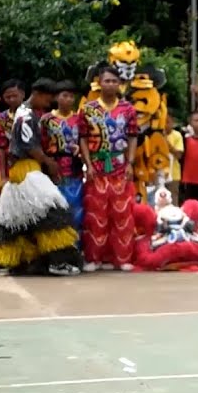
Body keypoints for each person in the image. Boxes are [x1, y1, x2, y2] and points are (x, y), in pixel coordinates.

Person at [0, 79, 81, 276]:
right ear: (37, 94)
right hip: (28, 170)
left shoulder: (23, 113)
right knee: (52, 214)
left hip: (19, 171)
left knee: (16, 220)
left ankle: (8, 263)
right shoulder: (27, 115)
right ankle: (57, 262)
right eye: (47, 100)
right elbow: (30, 146)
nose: (48, 104)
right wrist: (49, 162)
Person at [78, 66, 139, 272]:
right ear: (99, 83)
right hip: (96, 167)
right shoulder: (88, 109)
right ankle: (94, 258)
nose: (111, 84)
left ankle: (121, 258)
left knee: (122, 214)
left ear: (119, 84)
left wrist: (130, 163)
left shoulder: (128, 109)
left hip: (120, 166)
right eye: (107, 81)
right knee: (96, 214)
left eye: (114, 81)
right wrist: (87, 164)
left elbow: (133, 137)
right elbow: (83, 138)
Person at [41, 80, 85, 234]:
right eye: (65, 95)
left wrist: (80, 150)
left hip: (74, 168)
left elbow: (85, 141)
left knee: (76, 206)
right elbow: (42, 144)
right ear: (56, 97)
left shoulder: (79, 119)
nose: (68, 99)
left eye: (71, 96)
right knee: (54, 206)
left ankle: (75, 240)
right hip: (54, 167)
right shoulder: (46, 119)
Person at [0, 80, 27, 189]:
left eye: (15, 96)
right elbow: (0, 148)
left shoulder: (32, 114)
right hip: (11, 164)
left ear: (23, 94)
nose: (11, 99)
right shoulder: (1, 119)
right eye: (8, 97)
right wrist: (3, 176)